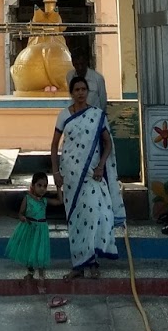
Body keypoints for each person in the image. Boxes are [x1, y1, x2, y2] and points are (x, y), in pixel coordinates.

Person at [51, 76, 124, 278]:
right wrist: (56, 172)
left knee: (94, 215)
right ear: (71, 93)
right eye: (77, 89)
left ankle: (93, 262)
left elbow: (108, 144)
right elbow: (54, 145)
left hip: (92, 174)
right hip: (70, 175)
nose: (81, 93)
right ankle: (79, 264)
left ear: (87, 92)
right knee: (76, 219)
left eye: (84, 89)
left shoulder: (97, 115)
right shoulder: (64, 115)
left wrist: (101, 166)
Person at [4, 170, 51, 283]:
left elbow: (59, 201)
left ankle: (41, 276)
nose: (42, 189)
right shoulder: (27, 198)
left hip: (41, 230)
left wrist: (59, 187)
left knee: (41, 253)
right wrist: (23, 218)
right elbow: (20, 213)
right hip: (29, 228)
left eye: (45, 186)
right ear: (33, 185)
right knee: (29, 251)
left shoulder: (44, 201)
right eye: (39, 185)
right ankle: (30, 272)